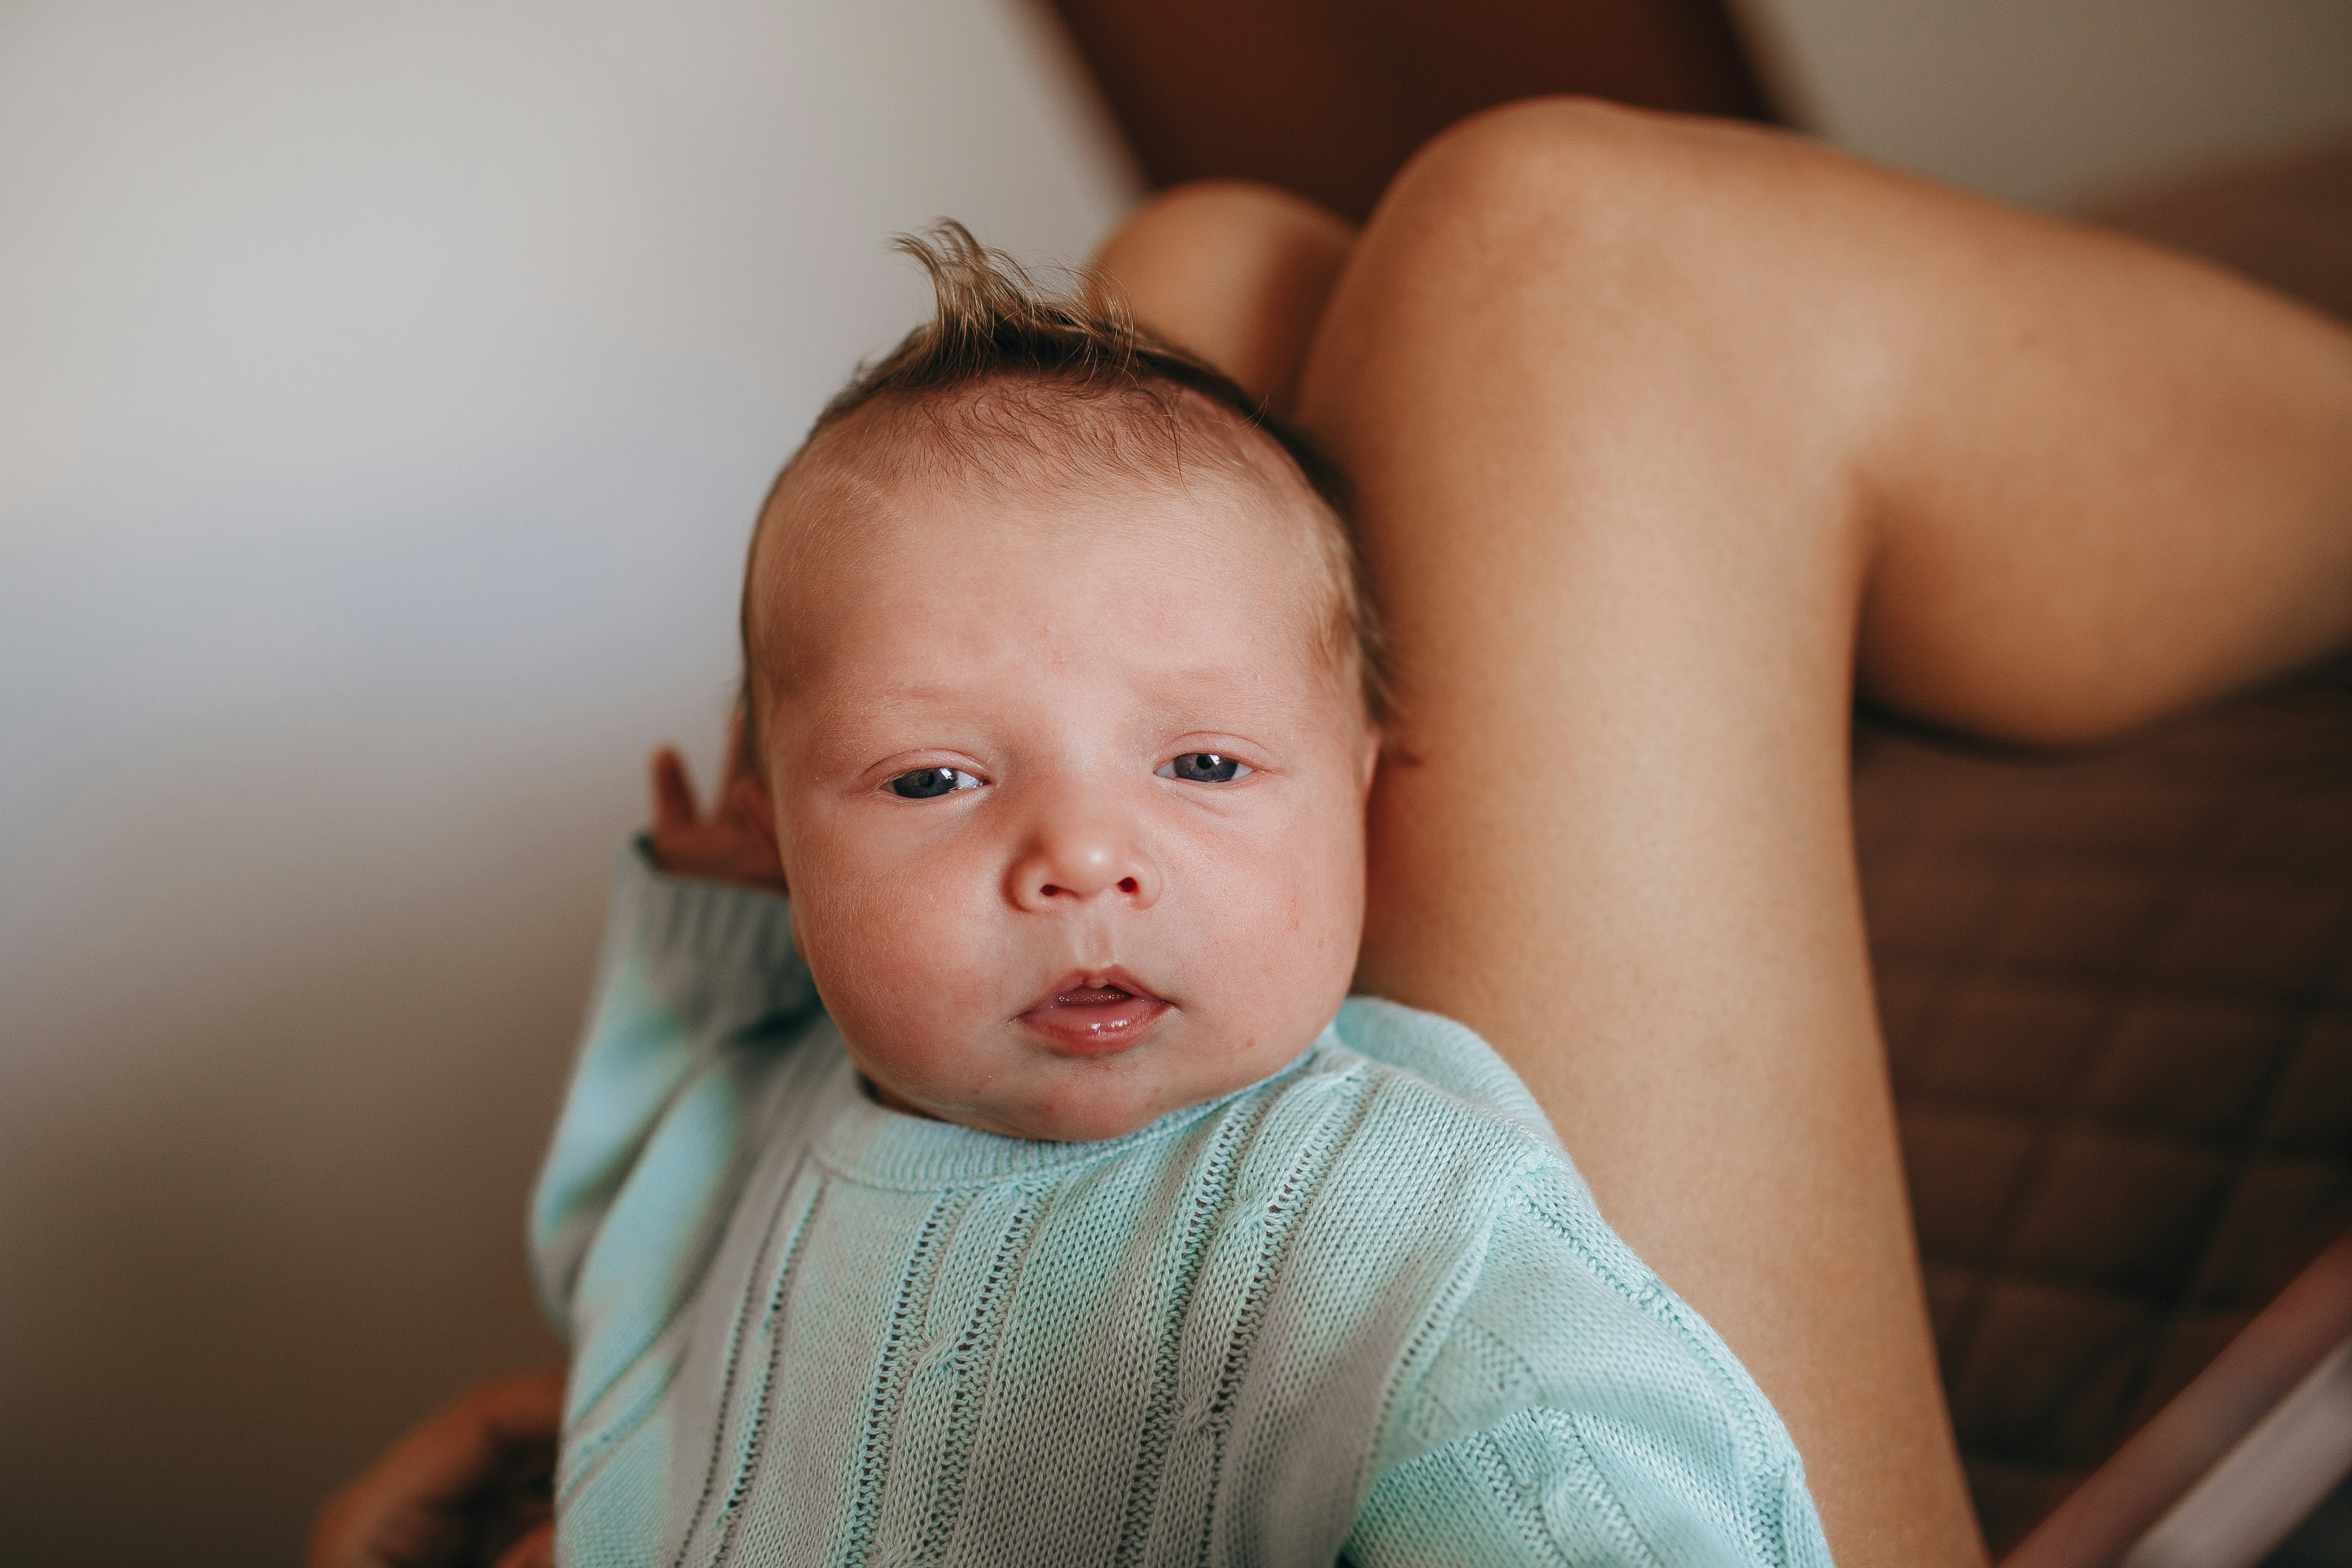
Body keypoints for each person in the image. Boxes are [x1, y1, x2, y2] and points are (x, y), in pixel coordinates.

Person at [310, 99, 2352, 1568]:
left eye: (1201, 772)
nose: (1085, 864)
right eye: (934, 783)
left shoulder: (851, 1129)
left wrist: (726, 944)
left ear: (1375, 770)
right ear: (787, 838)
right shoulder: (1393, 1249)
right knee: (1562, 255)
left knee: (1206, 277)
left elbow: (646, 1177)